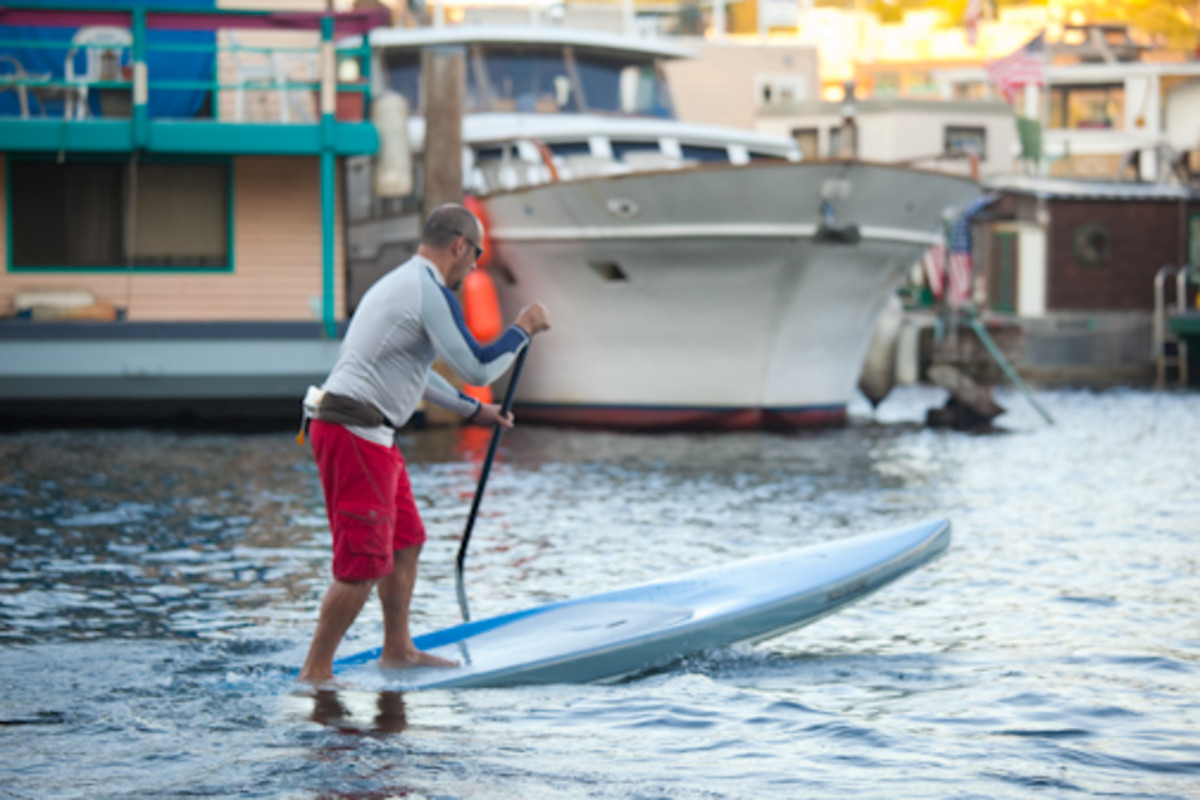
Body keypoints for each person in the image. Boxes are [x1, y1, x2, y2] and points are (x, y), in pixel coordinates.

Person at [297, 202, 550, 683]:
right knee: (363, 564)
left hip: (370, 431)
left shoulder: (401, 283)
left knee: (406, 540)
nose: (474, 266)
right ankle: (315, 673)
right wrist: (523, 329)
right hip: (353, 431)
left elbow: (416, 374)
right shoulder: (429, 292)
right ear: (460, 246)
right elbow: (478, 367)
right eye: (476, 255)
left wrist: (476, 411)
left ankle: (398, 649)